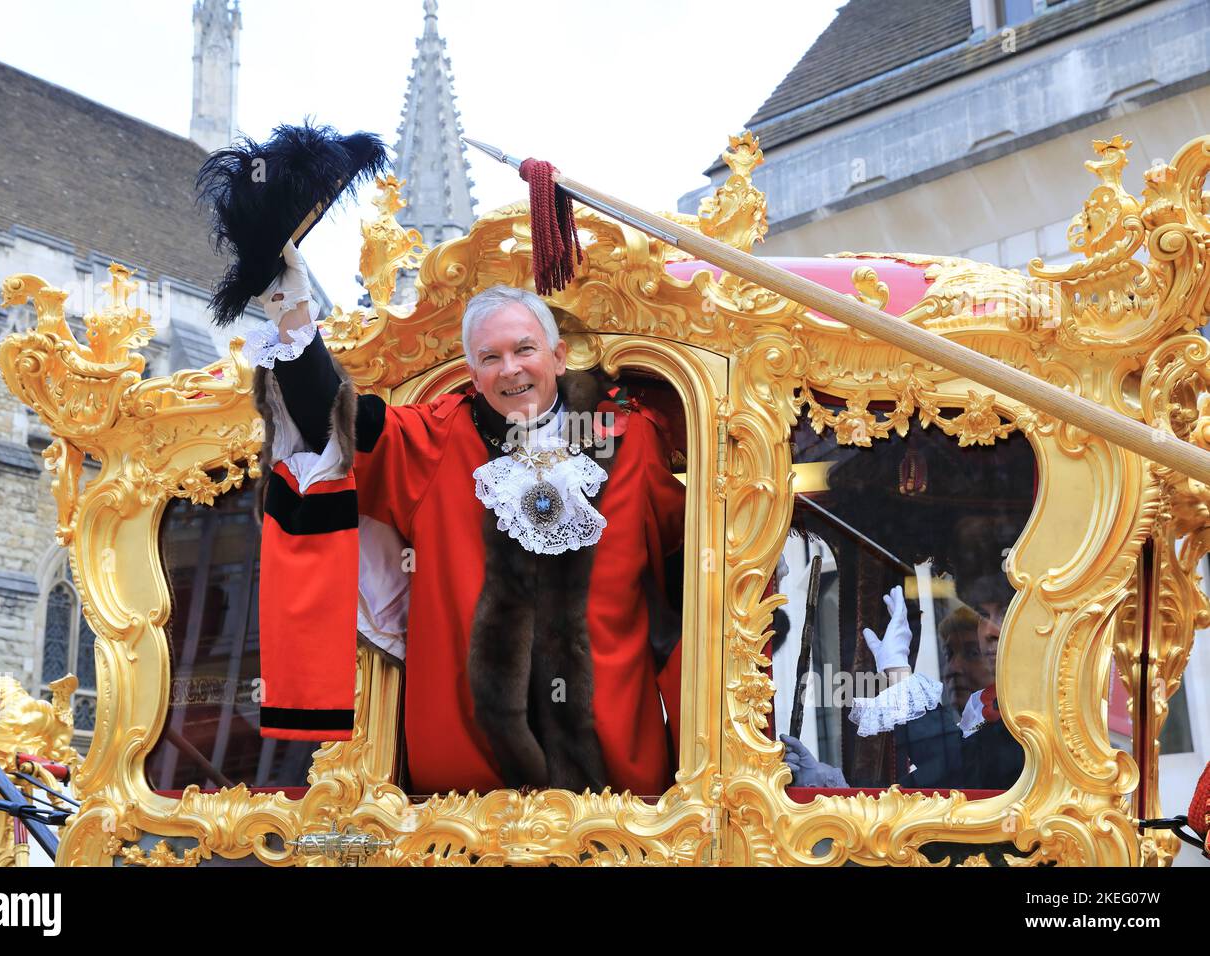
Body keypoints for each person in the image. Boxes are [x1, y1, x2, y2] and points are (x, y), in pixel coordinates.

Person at [244, 242, 686, 795]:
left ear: (558, 357)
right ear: (473, 374)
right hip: (467, 784)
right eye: (491, 358)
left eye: (525, 350)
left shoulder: (630, 439)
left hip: (617, 759)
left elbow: (687, 567)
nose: (511, 370)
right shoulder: (433, 440)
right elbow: (333, 422)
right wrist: (292, 312)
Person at [781, 585, 1023, 790]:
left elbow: (953, 773)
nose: (955, 667)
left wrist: (898, 672)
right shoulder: (975, 724)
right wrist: (824, 784)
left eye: (971, 653)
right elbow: (904, 801)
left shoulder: (1025, 718)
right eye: (949, 653)